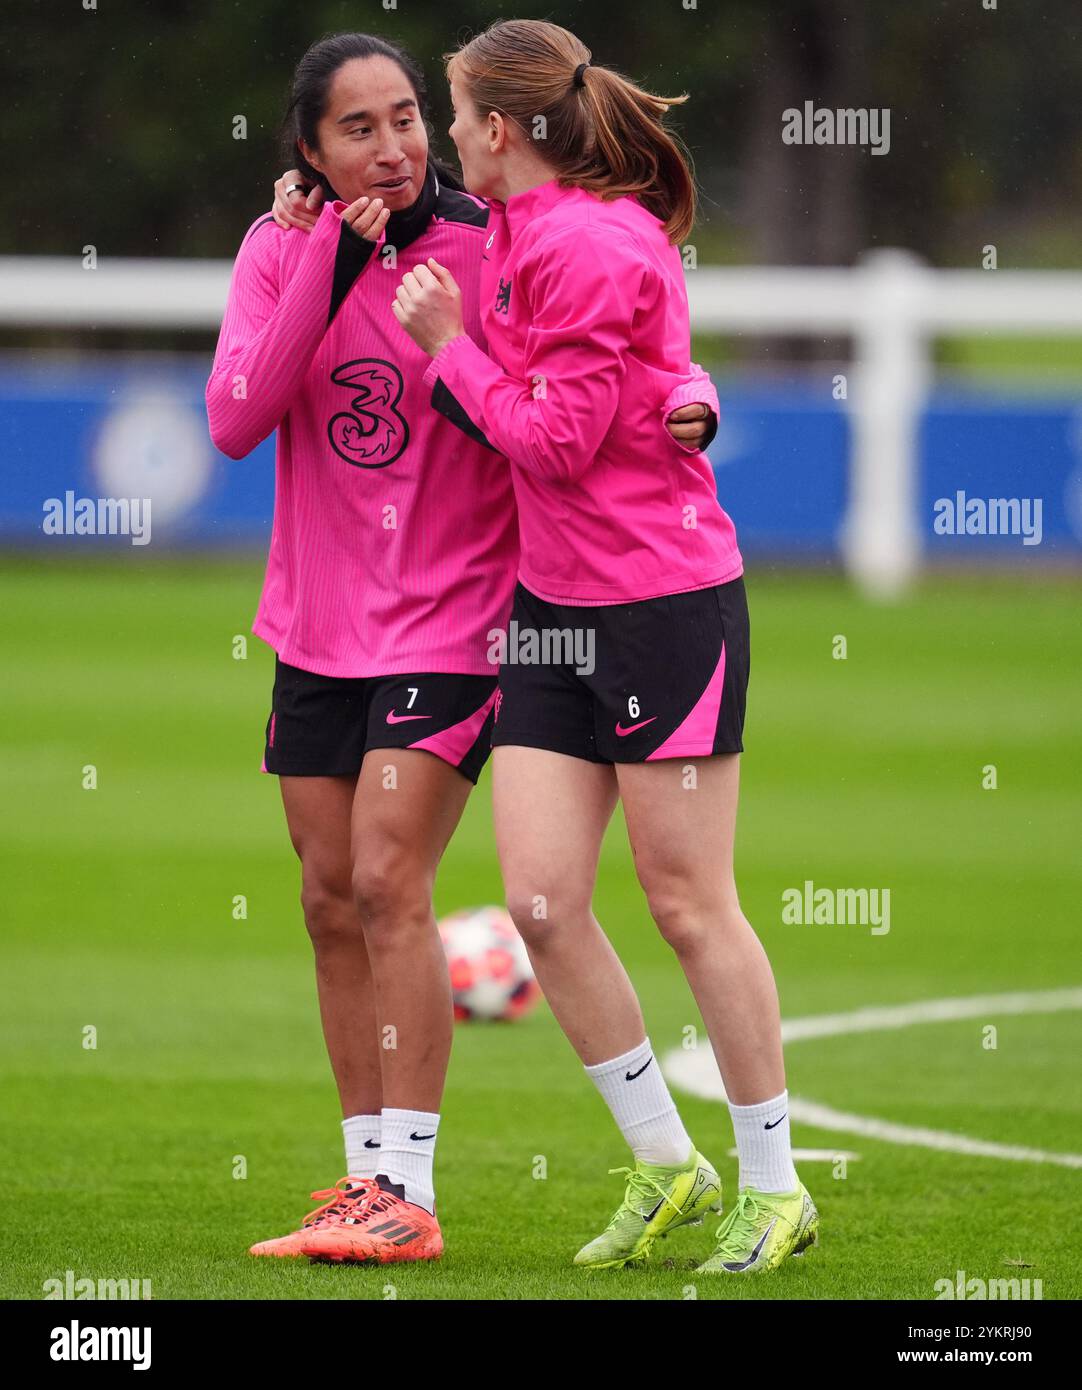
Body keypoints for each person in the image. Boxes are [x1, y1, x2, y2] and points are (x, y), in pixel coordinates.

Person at [206, 30, 718, 1266]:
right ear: (308, 151)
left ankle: (409, 1192)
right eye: (357, 129)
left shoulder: (489, 244)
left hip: (462, 620)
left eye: (405, 118)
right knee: (329, 899)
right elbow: (235, 419)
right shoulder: (282, 245)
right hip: (316, 625)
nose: (391, 146)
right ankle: (364, 1175)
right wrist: (327, 255)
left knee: (388, 879)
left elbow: (622, 339)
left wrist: (692, 391)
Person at [391, 17, 819, 1274]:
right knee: (538, 900)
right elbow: (662, 368)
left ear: (503, 128)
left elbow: (556, 442)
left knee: (687, 904)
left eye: (454, 114)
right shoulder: (517, 228)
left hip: (661, 604)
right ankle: (665, 1162)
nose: (443, 133)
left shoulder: (580, 236)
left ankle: (776, 1186)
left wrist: (444, 347)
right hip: (554, 606)